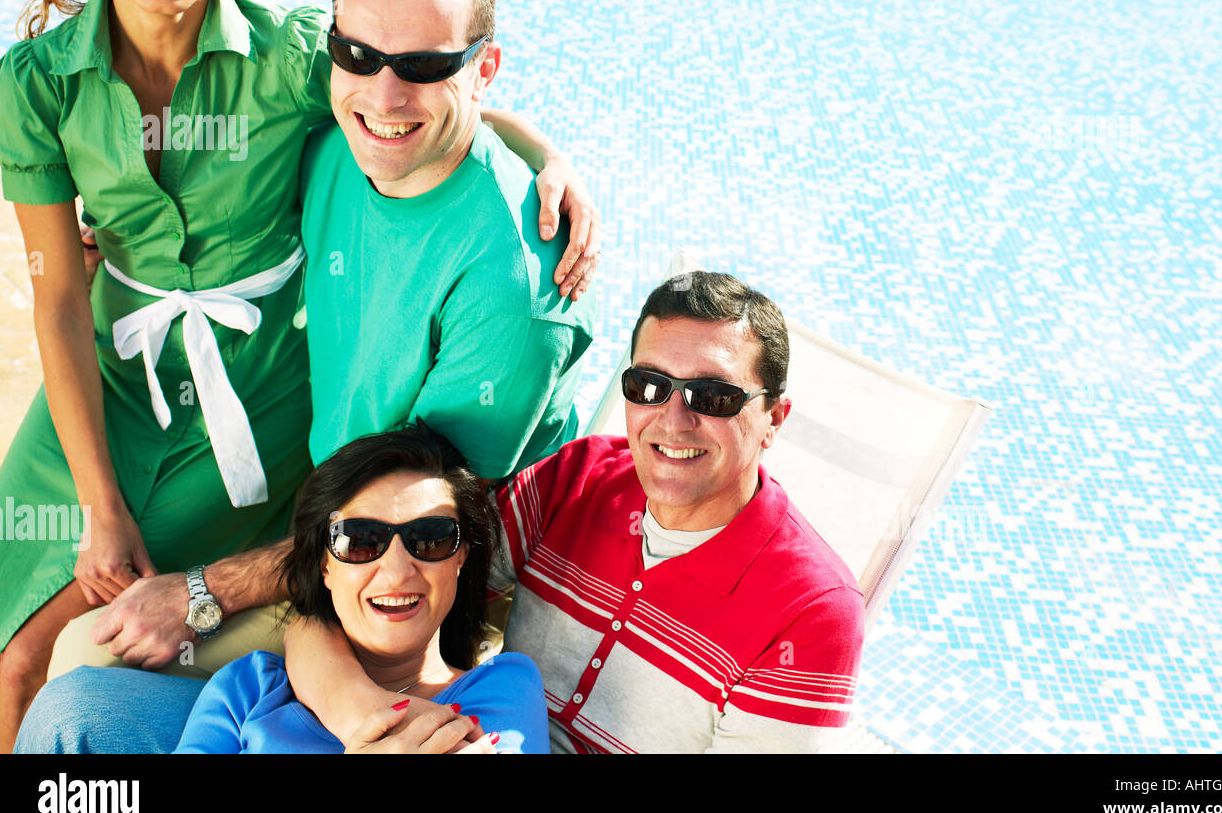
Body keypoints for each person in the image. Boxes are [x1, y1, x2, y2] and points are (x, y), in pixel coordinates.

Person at [0, 0, 596, 754]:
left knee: (45, 662)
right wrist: (101, 501)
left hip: (300, 464)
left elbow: (412, 95)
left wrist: (548, 157)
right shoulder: (46, 84)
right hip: (123, 383)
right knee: (5, 640)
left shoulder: (294, 64)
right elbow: (59, 292)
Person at [288, 272, 864, 753]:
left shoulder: (812, 614)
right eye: (650, 385)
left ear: (774, 419)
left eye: (713, 398)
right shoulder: (580, 478)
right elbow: (380, 590)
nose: (673, 421)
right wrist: (362, 716)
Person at [26, 423, 550, 754]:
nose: (396, 571)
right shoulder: (247, 687)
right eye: (361, 540)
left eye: (431, 538)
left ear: (461, 557)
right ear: (323, 566)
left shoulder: (503, 688)